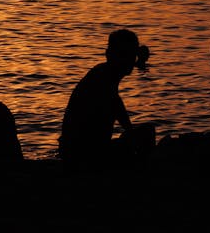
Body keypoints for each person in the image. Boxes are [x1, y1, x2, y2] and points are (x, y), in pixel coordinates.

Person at [59, 29, 154, 165]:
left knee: (142, 134)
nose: (128, 60)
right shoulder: (103, 78)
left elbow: (117, 104)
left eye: (131, 55)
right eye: (124, 55)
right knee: (147, 133)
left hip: (81, 150)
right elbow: (116, 107)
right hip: (86, 154)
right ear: (110, 55)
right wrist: (131, 133)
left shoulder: (105, 72)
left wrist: (139, 61)